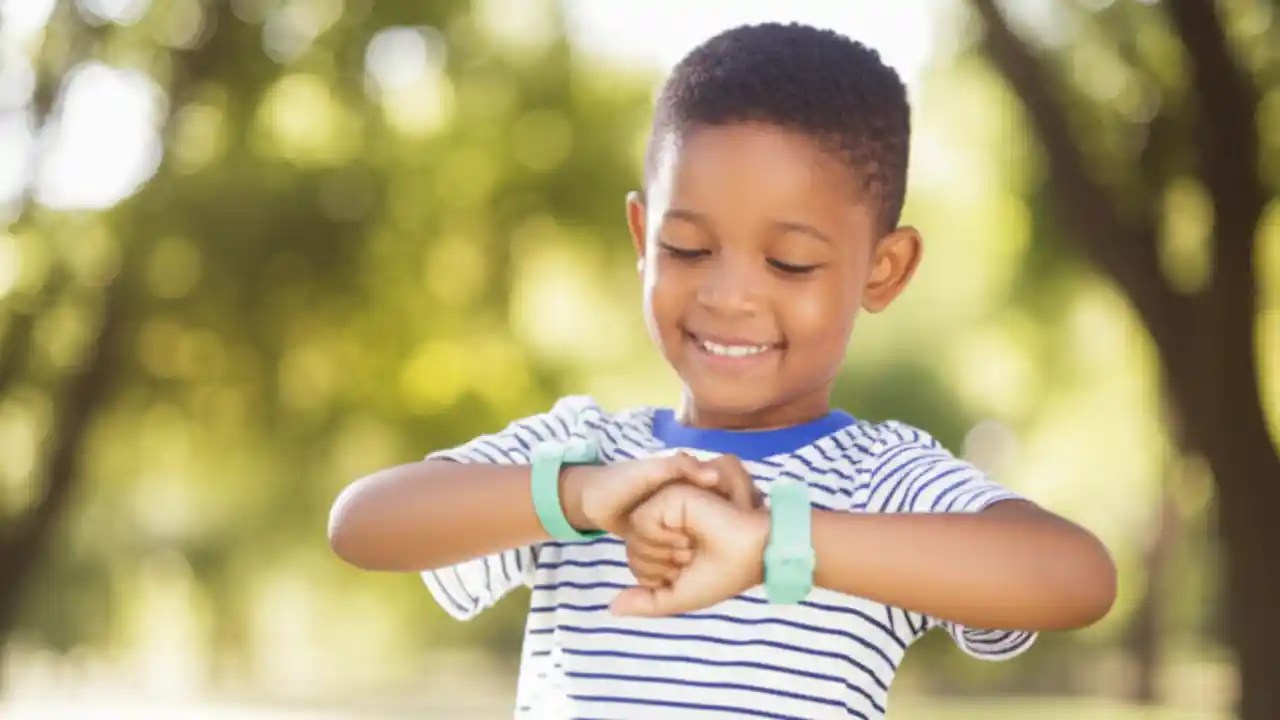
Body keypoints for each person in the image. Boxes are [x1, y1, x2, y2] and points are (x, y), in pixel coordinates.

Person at [328, 22, 1117, 719]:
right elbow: (361, 525)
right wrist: (578, 496)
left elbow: (1075, 578)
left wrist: (777, 542)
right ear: (643, 235)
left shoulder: (882, 483)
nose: (729, 295)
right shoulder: (587, 457)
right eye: (688, 249)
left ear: (883, 269)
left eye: (790, 262)